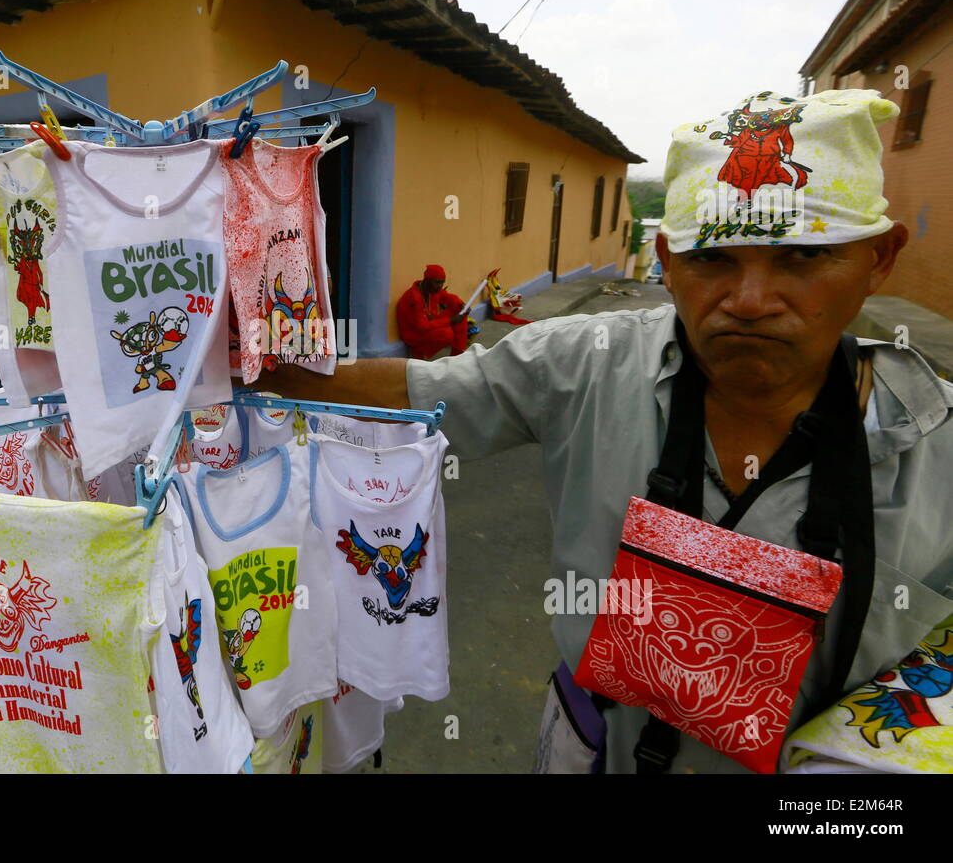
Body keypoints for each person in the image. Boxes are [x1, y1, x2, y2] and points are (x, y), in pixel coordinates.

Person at [258, 88, 953, 773]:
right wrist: (235, 363)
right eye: (713, 259)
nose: (749, 300)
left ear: (879, 259)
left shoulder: (940, 441)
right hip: (592, 750)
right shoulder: (583, 364)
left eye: (801, 257)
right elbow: (422, 390)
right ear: (668, 261)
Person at [396, 264, 469, 360]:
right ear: (427, 280)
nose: (440, 286)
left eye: (442, 283)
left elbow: (448, 297)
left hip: (429, 323)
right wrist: (450, 320)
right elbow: (422, 326)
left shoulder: (432, 290)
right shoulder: (414, 298)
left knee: (460, 312)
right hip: (413, 334)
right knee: (447, 334)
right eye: (437, 282)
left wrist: (461, 305)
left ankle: (457, 355)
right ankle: (420, 353)